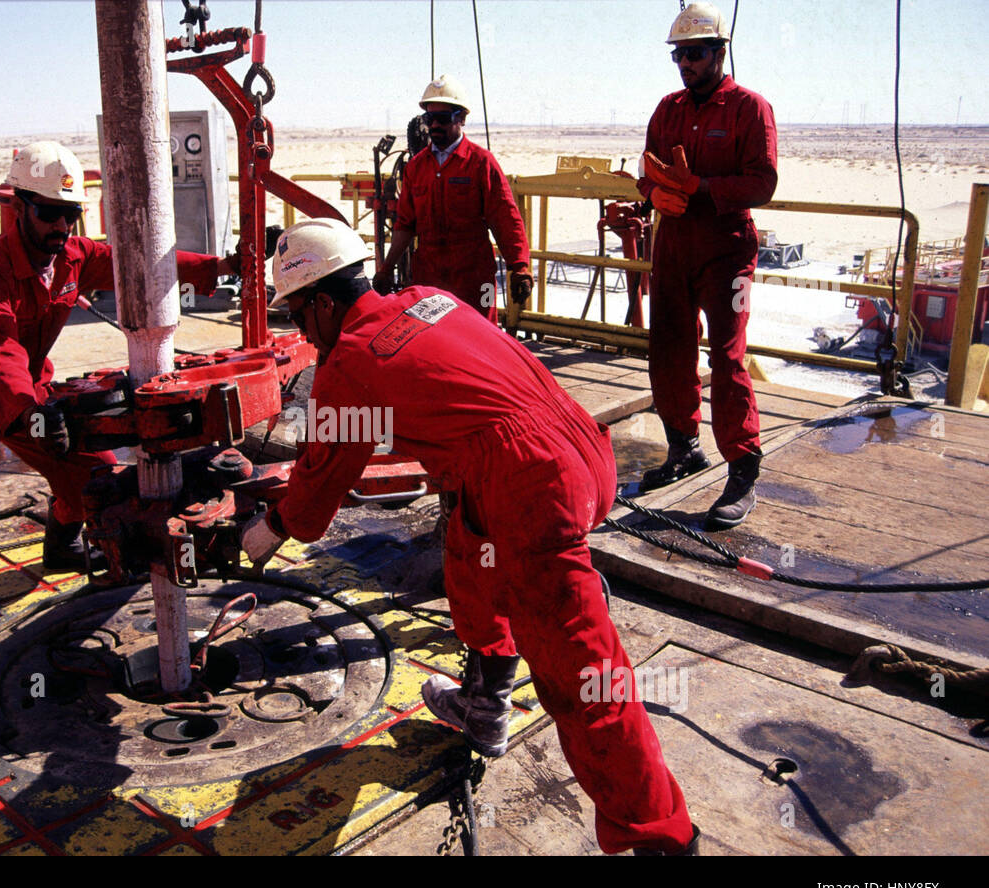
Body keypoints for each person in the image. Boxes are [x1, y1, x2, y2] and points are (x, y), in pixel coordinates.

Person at [242, 218, 698, 855]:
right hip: (573, 446)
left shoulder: (348, 364)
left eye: (297, 316)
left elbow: (320, 490)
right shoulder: (431, 298)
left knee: (585, 680)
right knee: (470, 559)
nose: (299, 332)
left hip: (532, 488)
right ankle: (485, 703)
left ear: (321, 303)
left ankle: (661, 838)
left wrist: (268, 530)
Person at [0, 141, 234, 676]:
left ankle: (60, 544)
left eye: (70, 215)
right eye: (49, 213)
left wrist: (215, 266)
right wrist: (29, 413)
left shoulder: (73, 258)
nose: (60, 226)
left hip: (23, 391)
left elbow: (140, 265)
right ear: (19, 209)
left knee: (95, 477)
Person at [635, 2, 778, 530]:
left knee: (727, 357)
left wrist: (701, 189)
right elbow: (645, 171)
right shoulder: (667, 109)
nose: (685, 64)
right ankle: (683, 448)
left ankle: (742, 468)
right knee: (668, 347)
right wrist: (653, 193)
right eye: (679, 55)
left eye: (694, 54)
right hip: (673, 245)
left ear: (720, 52)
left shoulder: (748, 108)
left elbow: (762, 183)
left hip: (725, 246)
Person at [372, 75, 533, 323]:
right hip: (430, 275)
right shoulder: (416, 167)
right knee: (430, 338)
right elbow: (405, 224)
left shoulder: (481, 163)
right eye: (429, 118)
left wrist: (520, 268)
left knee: (483, 334)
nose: (434, 125)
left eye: (443, 119)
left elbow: (505, 219)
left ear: (462, 118)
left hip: (476, 278)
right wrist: (386, 269)